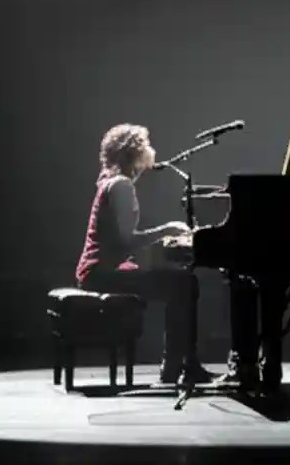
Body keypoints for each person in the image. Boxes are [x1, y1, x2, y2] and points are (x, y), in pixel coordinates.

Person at [74, 123, 216, 384]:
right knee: (185, 284)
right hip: (102, 273)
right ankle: (179, 366)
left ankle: (180, 364)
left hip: (100, 270)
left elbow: (121, 240)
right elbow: (127, 241)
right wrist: (167, 230)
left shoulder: (112, 183)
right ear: (136, 153)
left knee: (181, 283)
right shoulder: (121, 186)